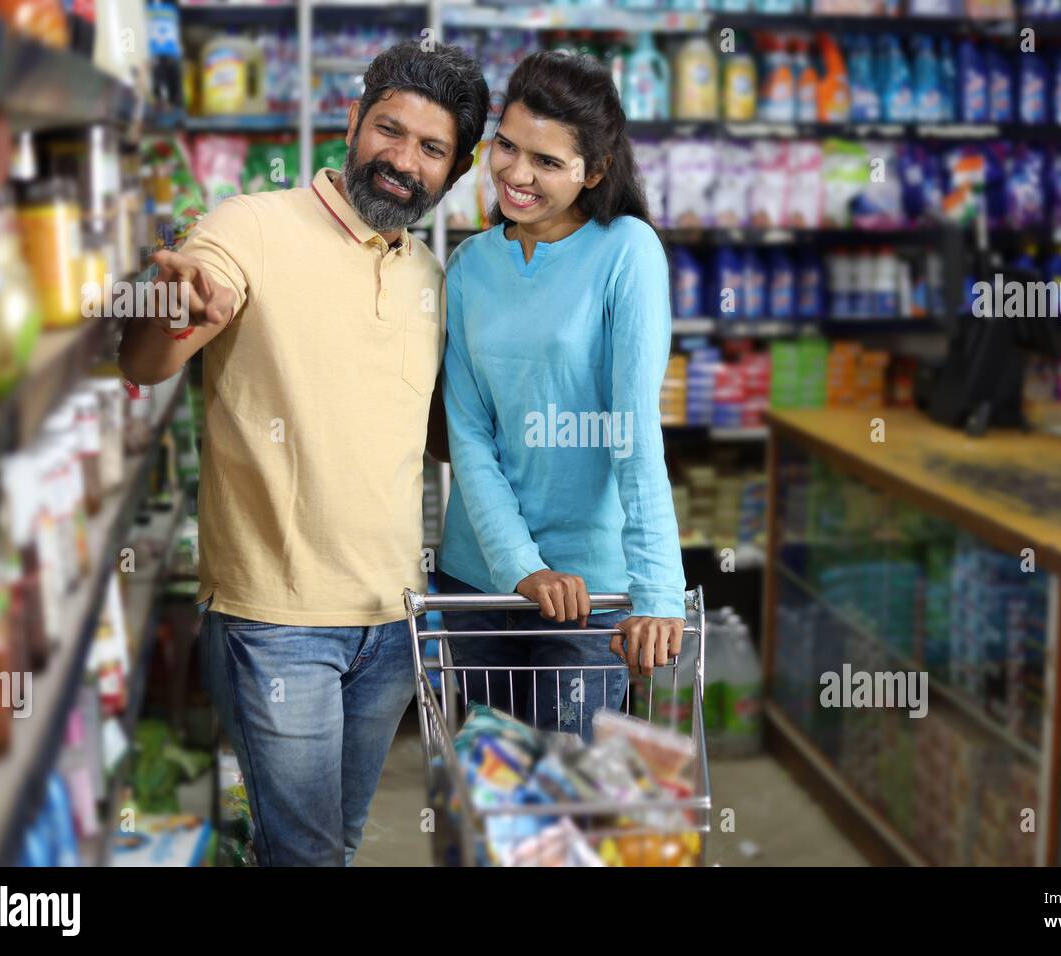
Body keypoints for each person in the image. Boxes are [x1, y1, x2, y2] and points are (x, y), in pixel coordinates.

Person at [117, 41, 489, 866]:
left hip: (393, 621)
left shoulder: (431, 276)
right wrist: (174, 303)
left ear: (456, 173)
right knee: (310, 856)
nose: (402, 161)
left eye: (430, 149)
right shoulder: (250, 225)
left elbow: (427, 432)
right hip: (275, 621)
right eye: (388, 130)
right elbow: (144, 361)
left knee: (327, 847)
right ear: (352, 122)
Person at [436, 51, 686, 740]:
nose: (516, 173)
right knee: (486, 802)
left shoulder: (626, 252)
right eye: (508, 146)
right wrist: (520, 568)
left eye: (547, 162)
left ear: (594, 172)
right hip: (477, 577)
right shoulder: (469, 266)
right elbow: (469, 436)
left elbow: (634, 431)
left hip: (589, 588)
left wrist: (660, 590)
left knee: (568, 808)